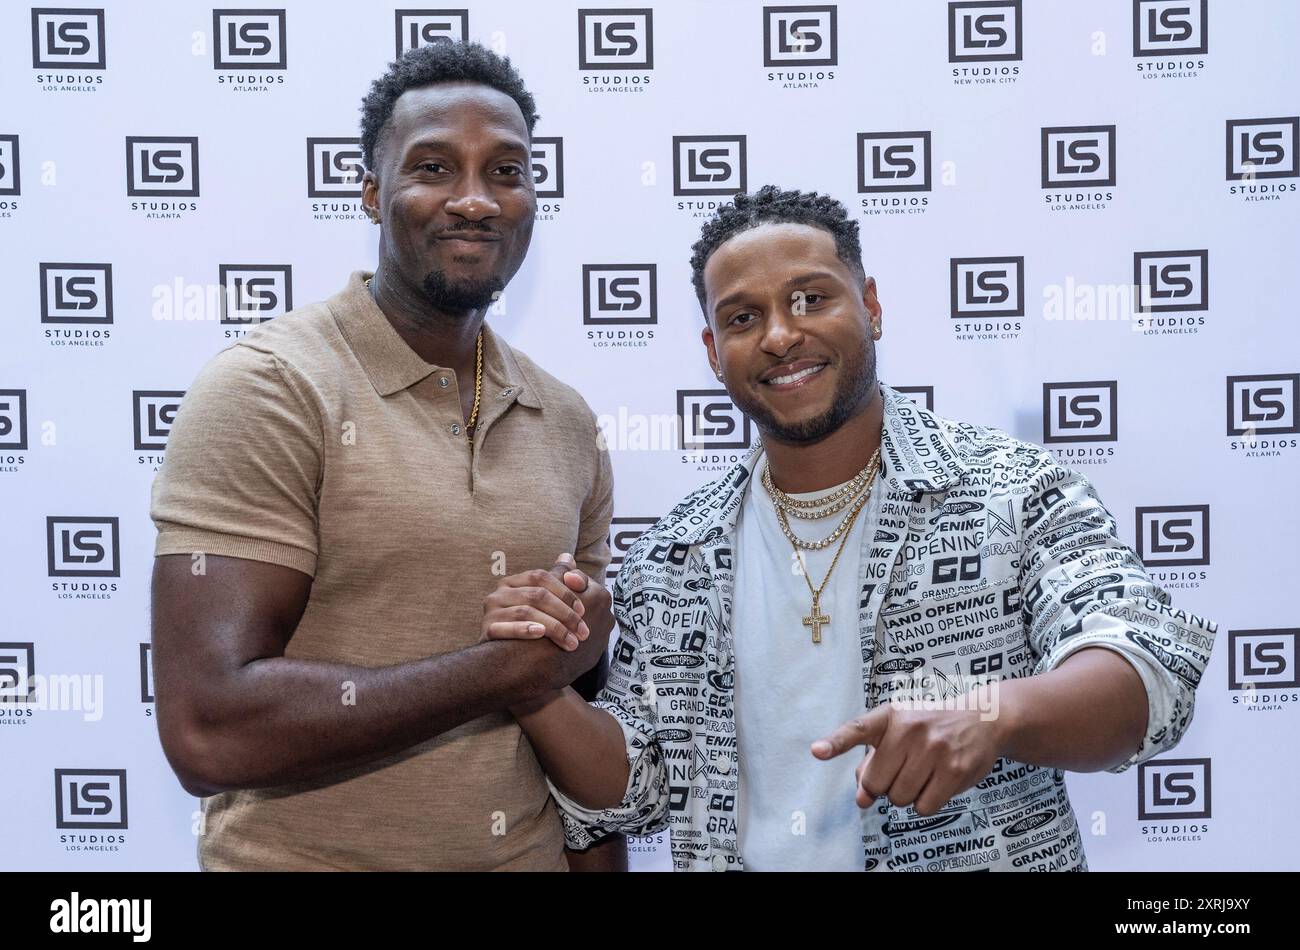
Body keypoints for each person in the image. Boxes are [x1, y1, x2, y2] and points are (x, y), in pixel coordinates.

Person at [512, 185, 1218, 871]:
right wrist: (533, 683)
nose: (782, 336)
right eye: (742, 318)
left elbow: (1147, 671)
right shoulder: (674, 554)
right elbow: (632, 791)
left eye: (811, 299)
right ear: (712, 349)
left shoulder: (1012, 490)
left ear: (871, 306)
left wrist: (992, 716)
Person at [148, 41, 624, 871]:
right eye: (434, 167)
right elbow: (208, 730)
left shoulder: (566, 419)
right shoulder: (270, 389)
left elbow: (576, 688)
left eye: (506, 172)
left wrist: (560, 647)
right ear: (371, 193)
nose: (475, 200)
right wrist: (496, 672)